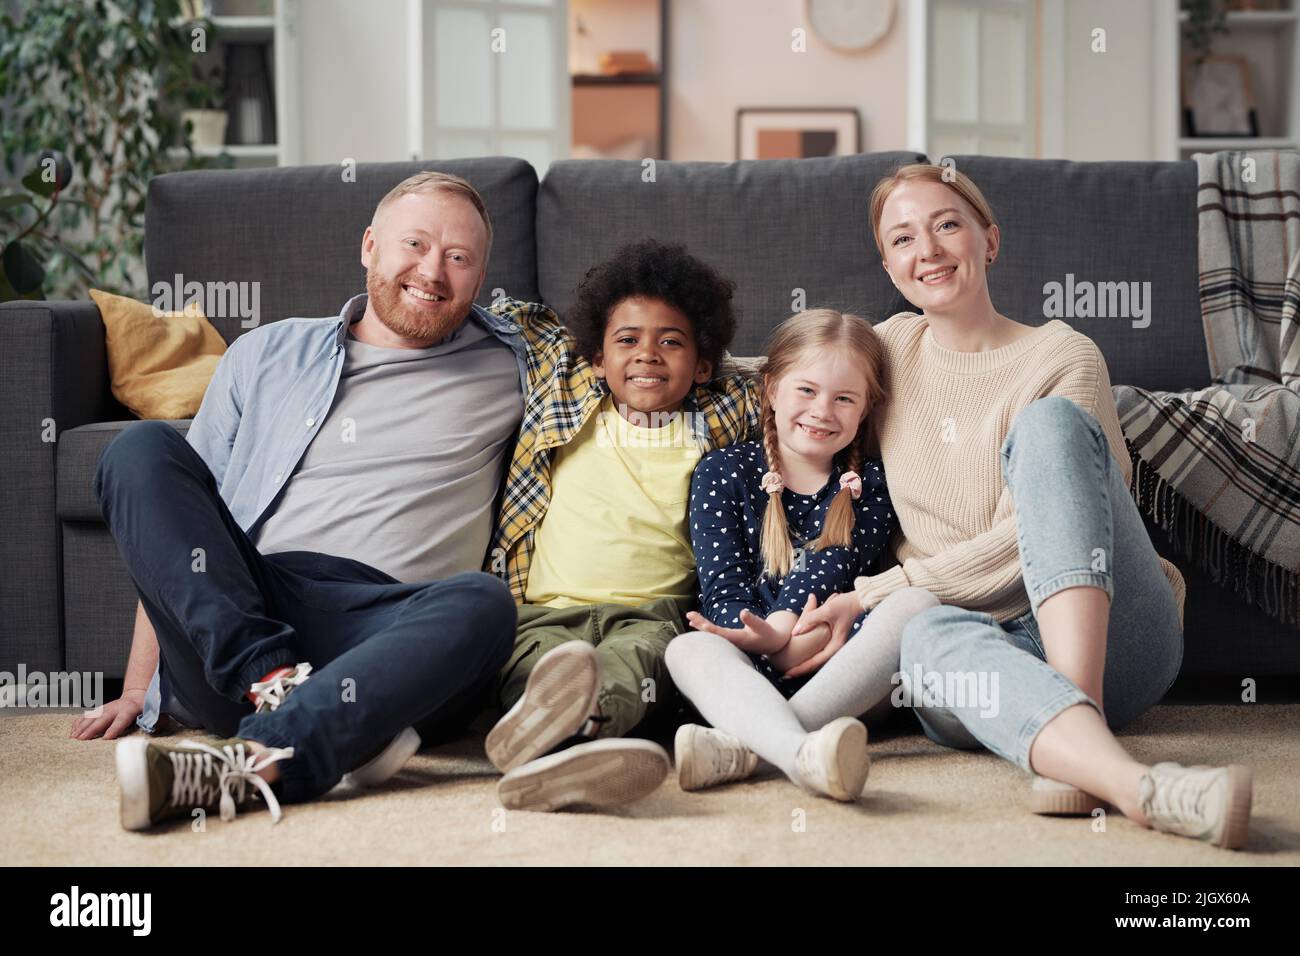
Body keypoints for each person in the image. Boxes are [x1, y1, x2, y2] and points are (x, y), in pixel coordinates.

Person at [792, 163, 1252, 849]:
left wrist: (884, 591)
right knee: (920, 636)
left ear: (990, 240)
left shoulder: (1063, 354)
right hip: (979, 655)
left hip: (1117, 634)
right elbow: (781, 376)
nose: (930, 250)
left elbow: (1038, 536)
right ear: (889, 267)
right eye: (904, 238)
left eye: (948, 224)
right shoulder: (884, 351)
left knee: (1050, 427)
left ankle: (1081, 721)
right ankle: (1133, 784)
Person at [74, 171, 532, 830]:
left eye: (459, 259)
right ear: (370, 245)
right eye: (416, 244)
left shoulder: (516, 360)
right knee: (138, 452)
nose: (433, 271)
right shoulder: (267, 353)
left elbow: (641, 352)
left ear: (481, 278)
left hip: (389, 633)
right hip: (250, 618)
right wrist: (139, 689)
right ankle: (293, 706)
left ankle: (265, 749)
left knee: (483, 603)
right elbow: (180, 531)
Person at [483, 239, 760, 811]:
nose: (648, 354)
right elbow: (520, 321)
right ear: (597, 359)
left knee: (639, 670)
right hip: (545, 609)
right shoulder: (571, 398)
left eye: (672, 342)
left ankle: (582, 735)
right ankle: (558, 738)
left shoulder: (721, 419)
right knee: (535, 670)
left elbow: (795, 381)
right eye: (627, 340)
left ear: (704, 364)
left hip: (652, 613)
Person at [666, 309, 938, 801]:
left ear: (866, 408)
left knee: (916, 608)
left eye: (844, 399)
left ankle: (749, 745)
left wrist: (786, 633)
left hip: (830, 659)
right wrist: (760, 638)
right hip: (743, 662)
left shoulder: (869, 485)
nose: (822, 411)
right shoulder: (723, 470)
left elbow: (831, 566)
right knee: (687, 647)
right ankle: (799, 754)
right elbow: (723, 585)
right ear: (771, 389)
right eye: (806, 390)